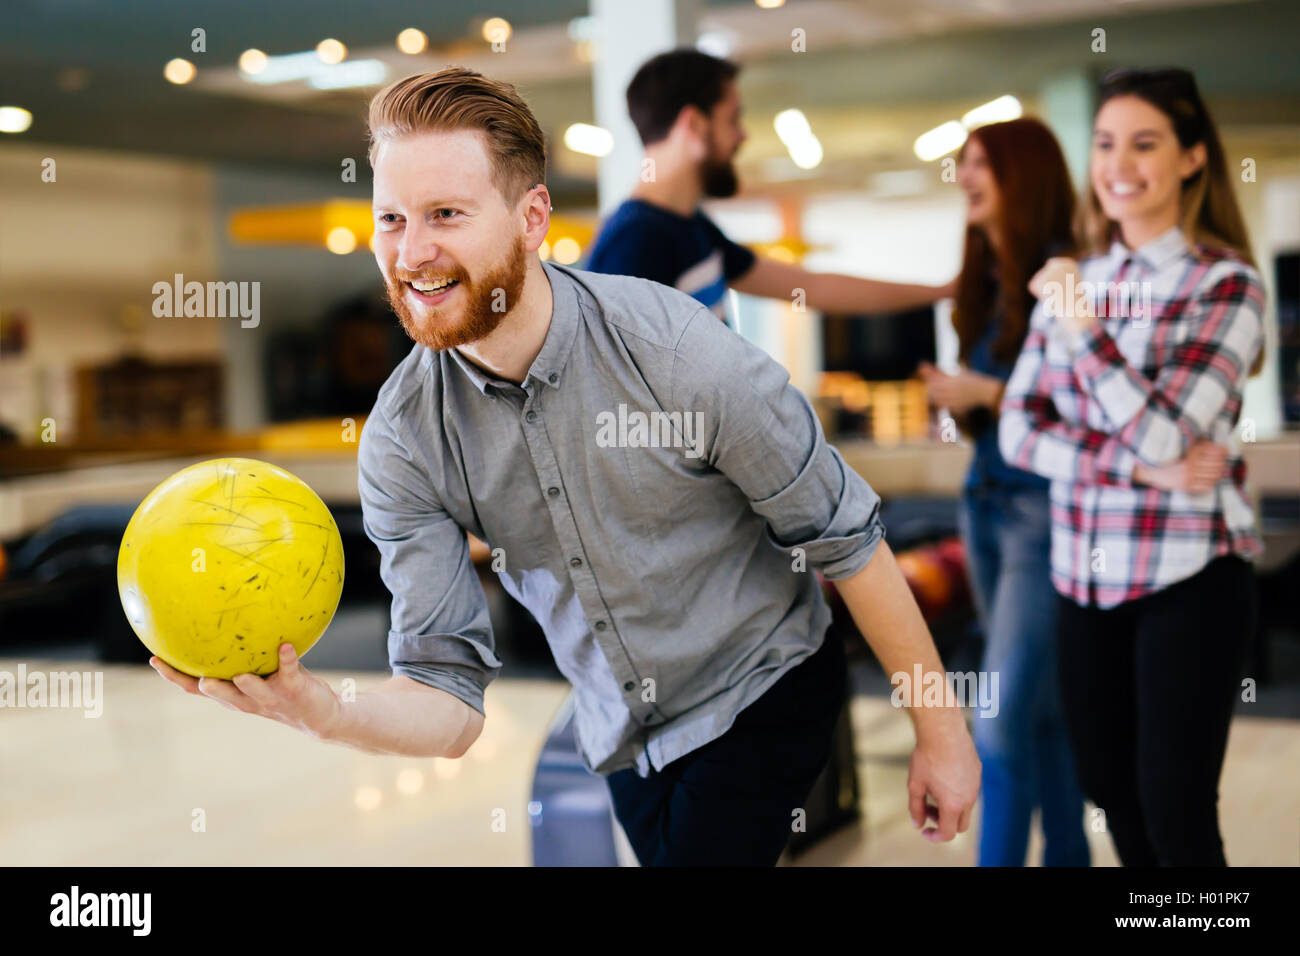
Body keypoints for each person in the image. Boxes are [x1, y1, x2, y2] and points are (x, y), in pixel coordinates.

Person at [149, 67, 981, 867]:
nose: (413, 252)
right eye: (392, 220)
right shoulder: (405, 437)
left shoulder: (673, 349)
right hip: (621, 733)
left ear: (532, 216)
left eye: (446, 213)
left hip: (764, 683)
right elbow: (450, 703)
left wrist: (941, 735)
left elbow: (846, 537)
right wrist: (322, 710)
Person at [999, 67, 1267, 866]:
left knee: (1175, 804)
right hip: (1083, 574)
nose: (1119, 162)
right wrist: (1140, 473)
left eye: (1145, 143)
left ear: (1191, 159)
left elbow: (1164, 434)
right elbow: (1017, 431)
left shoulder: (1225, 286)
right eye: (1107, 143)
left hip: (1187, 574)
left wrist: (1082, 330)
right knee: (1111, 795)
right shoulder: (1075, 279)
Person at [918, 118, 1090, 867]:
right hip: (983, 505)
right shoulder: (987, 284)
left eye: (980, 163)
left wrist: (983, 388)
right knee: (1042, 713)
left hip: (1043, 514)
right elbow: (999, 406)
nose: (964, 176)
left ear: (1023, 174)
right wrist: (958, 398)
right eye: (962, 163)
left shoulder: (1067, 276)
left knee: (999, 718)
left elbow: (1088, 403)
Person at [586, 48, 952, 322]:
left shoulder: (691, 229)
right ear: (694, 125)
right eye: (733, 119)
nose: (742, 137)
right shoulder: (635, 243)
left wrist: (945, 290)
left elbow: (815, 288)